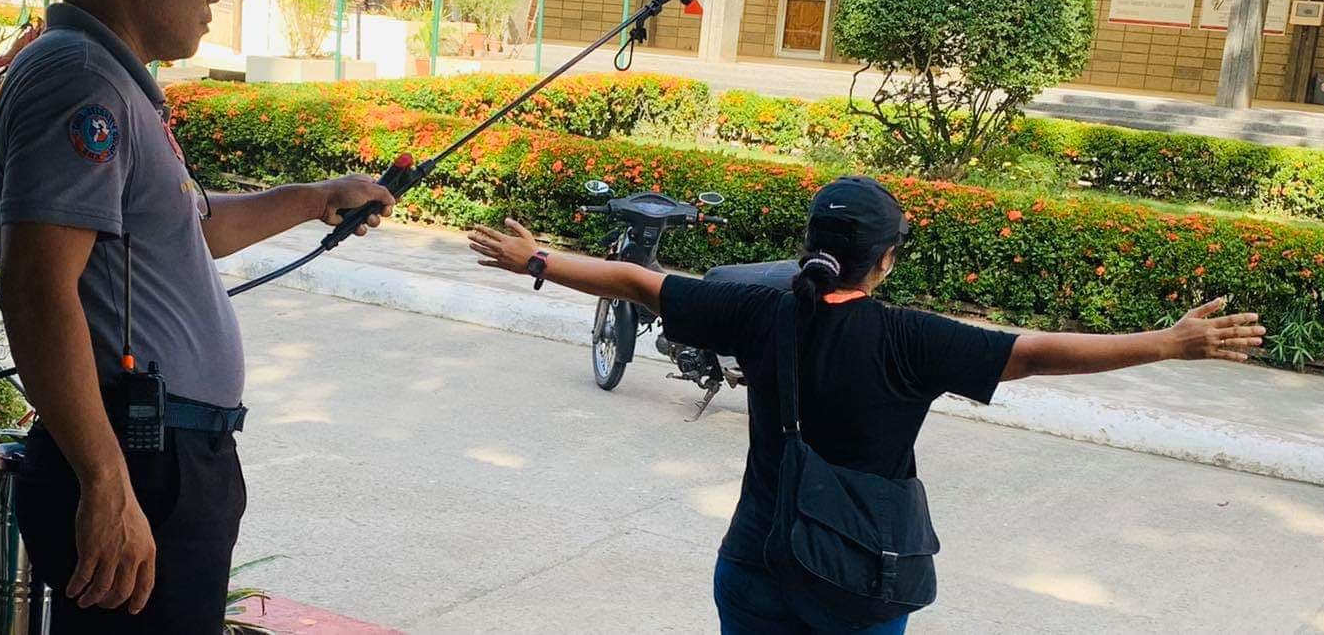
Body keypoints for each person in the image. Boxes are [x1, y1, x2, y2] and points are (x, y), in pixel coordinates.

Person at [468, 175, 1264, 634]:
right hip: (860, 583)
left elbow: (639, 282)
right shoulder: (908, 340)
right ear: (885, 259)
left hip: (755, 566)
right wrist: (1168, 340)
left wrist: (535, 258)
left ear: (809, 240)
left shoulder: (757, 310)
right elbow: (1036, 353)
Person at [0, 0, 397, 633]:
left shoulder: (106, 77)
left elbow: (195, 226)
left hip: (165, 456)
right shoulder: (84, 86)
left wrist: (317, 198)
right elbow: (36, 290)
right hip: (139, 457)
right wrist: (108, 483)